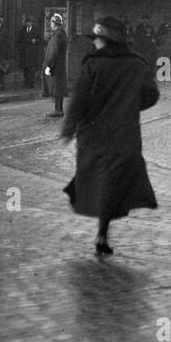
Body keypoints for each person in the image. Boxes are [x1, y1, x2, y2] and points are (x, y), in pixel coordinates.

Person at [61, 15, 159, 257]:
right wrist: (129, 105)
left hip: (93, 134)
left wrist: (69, 127)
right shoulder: (136, 64)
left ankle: (98, 226)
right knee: (115, 180)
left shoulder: (92, 64)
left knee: (95, 176)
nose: (94, 43)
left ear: (106, 40)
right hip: (124, 132)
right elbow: (151, 95)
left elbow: (79, 98)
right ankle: (102, 232)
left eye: (97, 38)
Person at [43, 13, 68, 118]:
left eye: (51, 22)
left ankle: (57, 110)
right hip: (59, 65)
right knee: (57, 87)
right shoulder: (61, 34)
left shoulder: (57, 36)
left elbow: (54, 52)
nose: (50, 25)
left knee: (56, 88)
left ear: (54, 23)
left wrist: (49, 66)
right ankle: (58, 109)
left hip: (55, 66)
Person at [16, 18, 43, 90]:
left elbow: (41, 40)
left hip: (32, 53)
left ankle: (31, 83)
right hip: (24, 52)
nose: (28, 24)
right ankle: (26, 82)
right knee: (25, 68)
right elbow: (18, 41)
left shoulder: (36, 31)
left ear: (32, 23)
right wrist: (20, 48)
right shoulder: (22, 31)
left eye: (30, 22)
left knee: (31, 68)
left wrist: (35, 41)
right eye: (27, 22)